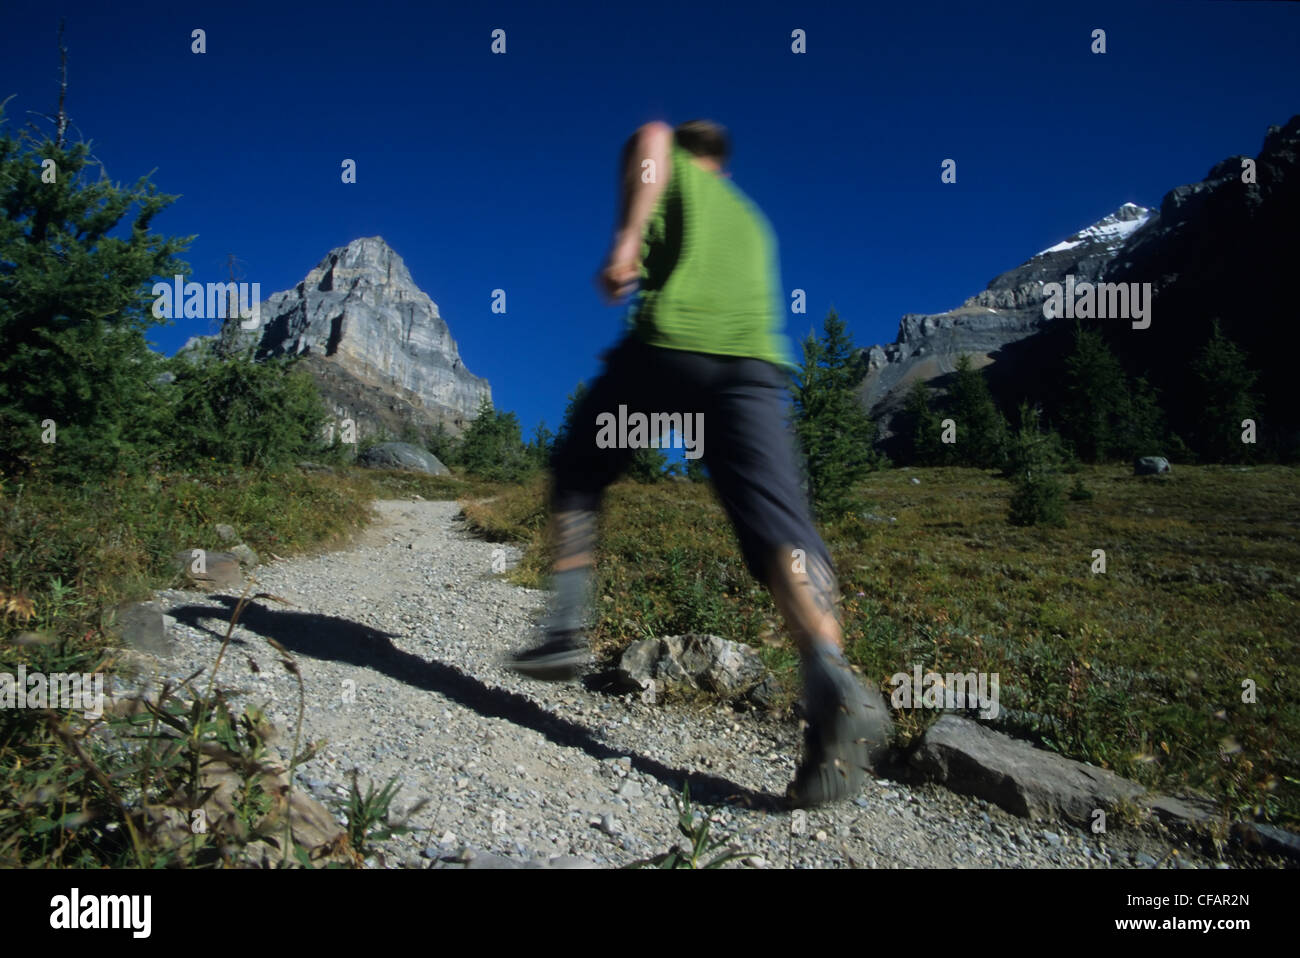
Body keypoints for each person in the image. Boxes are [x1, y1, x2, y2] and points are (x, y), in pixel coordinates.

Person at [507, 119, 892, 808]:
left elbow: (650, 136)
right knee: (783, 532)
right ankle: (830, 675)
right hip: (752, 374)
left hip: (672, 350)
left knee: (580, 466)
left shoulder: (672, 166)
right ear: (729, 166)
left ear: (692, 156)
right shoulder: (753, 221)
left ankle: (564, 627)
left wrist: (625, 245)